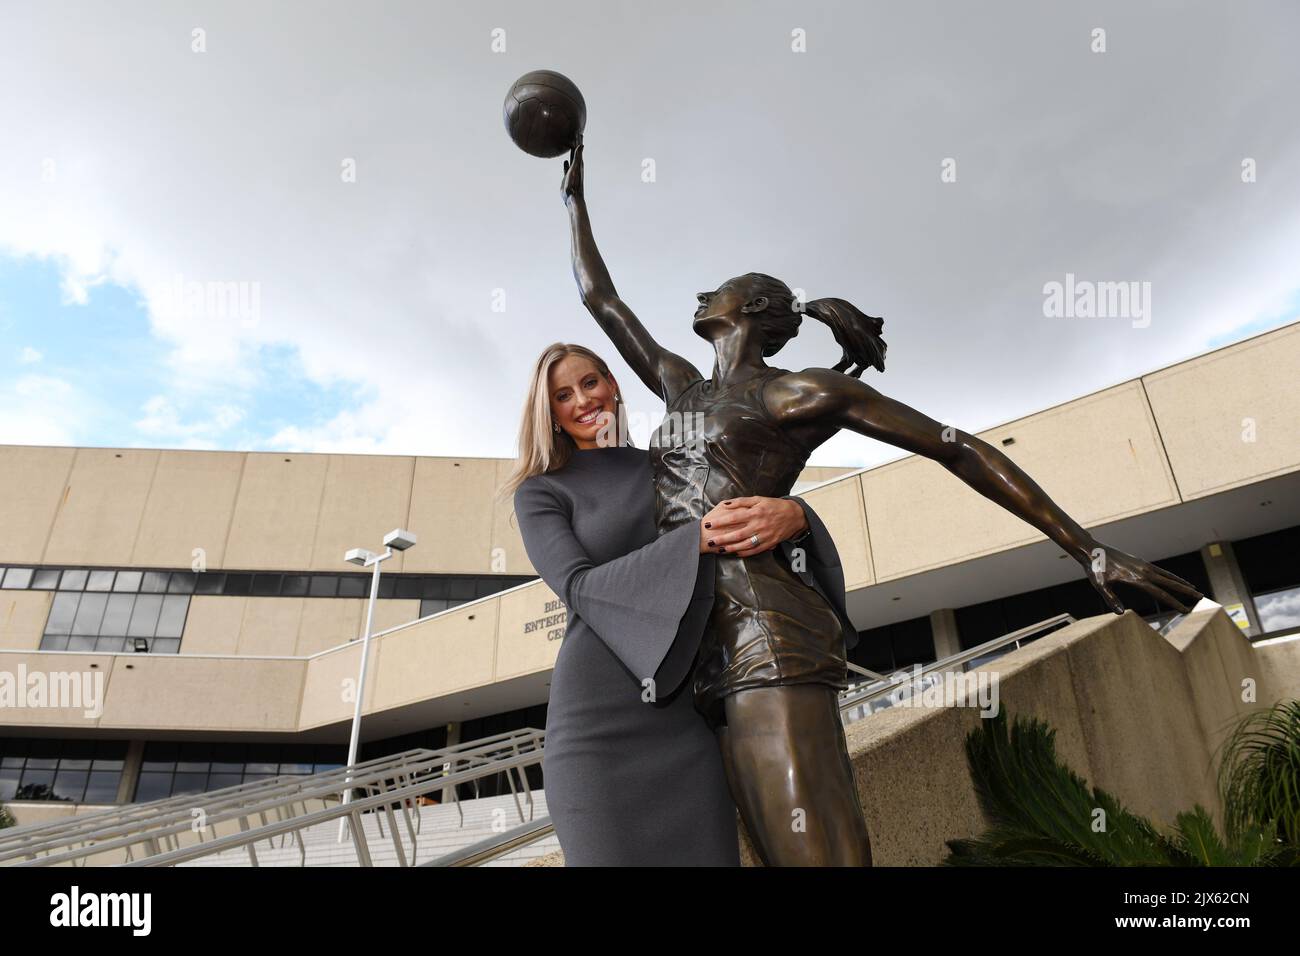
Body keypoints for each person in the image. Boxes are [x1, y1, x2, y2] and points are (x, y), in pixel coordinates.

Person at [560, 140, 1204, 866]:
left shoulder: (796, 391)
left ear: (757, 309)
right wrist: (574, 200)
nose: (701, 294)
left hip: (768, 633)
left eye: (721, 287)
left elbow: (955, 446)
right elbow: (601, 300)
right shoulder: (682, 385)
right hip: (704, 650)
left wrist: (1087, 547)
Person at [501, 342, 854, 866]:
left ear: (613, 384)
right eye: (562, 395)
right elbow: (578, 585)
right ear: (548, 413)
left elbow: (747, 513)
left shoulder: (675, 461)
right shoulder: (541, 492)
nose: (582, 400)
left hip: (689, 719)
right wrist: (693, 540)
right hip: (597, 731)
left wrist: (796, 516)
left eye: (591, 382)